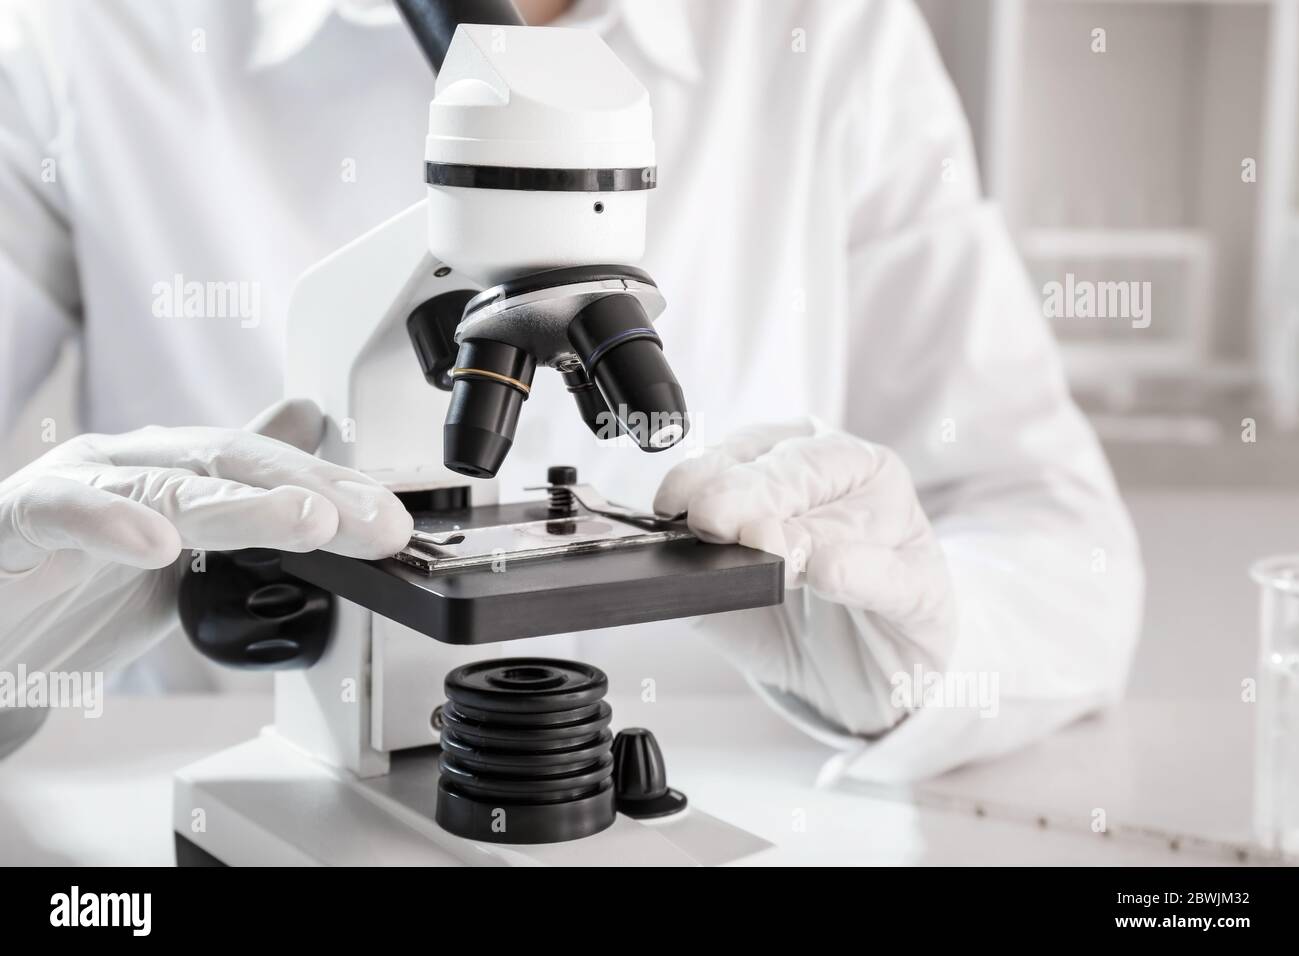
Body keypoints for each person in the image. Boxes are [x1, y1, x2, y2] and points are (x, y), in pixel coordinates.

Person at [0, 0, 1143, 781]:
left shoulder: (826, 29)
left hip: (756, 772)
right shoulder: (79, 32)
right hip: (205, 765)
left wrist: (920, 656)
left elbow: (1057, 539)